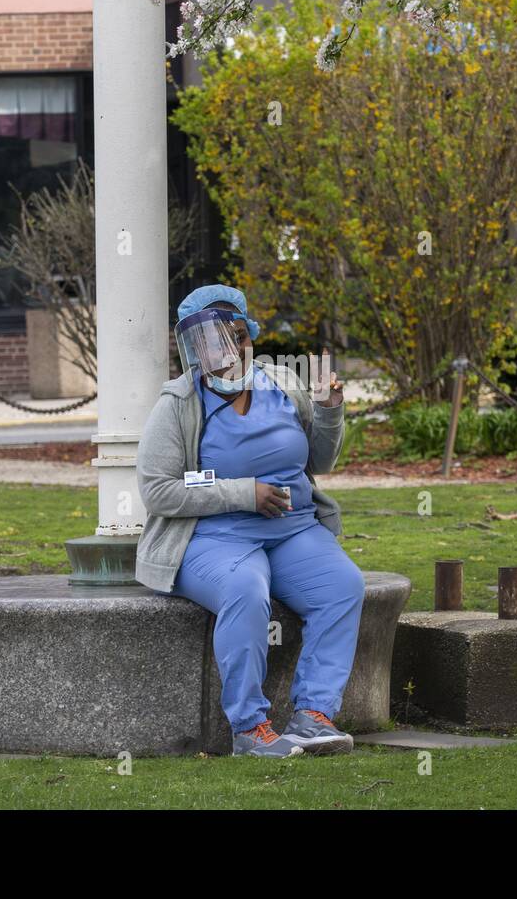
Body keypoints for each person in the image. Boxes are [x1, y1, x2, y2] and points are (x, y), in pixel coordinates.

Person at [135, 284, 366, 757]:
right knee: (245, 589)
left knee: (343, 586)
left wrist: (328, 411)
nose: (225, 349)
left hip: (293, 529)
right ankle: (250, 729)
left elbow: (319, 462)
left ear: (248, 335)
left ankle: (313, 715)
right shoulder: (179, 404)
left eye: (234, 336)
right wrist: (244, 493)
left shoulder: (282, 382)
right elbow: (158, 490)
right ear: (193, 347)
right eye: (210, 340)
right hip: (213, 537)